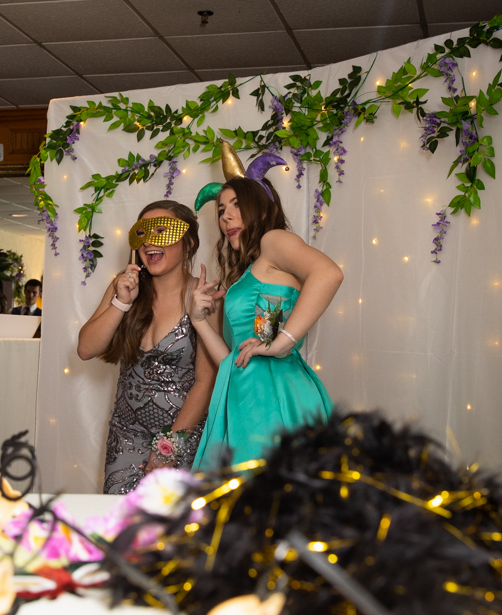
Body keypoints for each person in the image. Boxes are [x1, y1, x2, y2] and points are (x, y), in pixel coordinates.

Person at [189, 177, 342, 468]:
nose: (227, 217)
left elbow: (328, 273)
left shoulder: (274, 240)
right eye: (221, 210)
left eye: (237, 205)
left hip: (273, 396)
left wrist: (284, 341)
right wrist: (199, 322)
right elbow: (236, 358)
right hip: (245, 397)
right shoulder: (255, 271)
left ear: (261, 210)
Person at [77, 202, 214, 494]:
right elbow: (86, 348)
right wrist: (121, 302)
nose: (150, 242)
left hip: (182, 436)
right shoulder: (124, 287)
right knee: (122, 530)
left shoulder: (203, 296)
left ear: (188, 242)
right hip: (126, 436)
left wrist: (168, 448)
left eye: (162, 231)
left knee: (172, 534)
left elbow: (206, 381)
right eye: (143, 234)